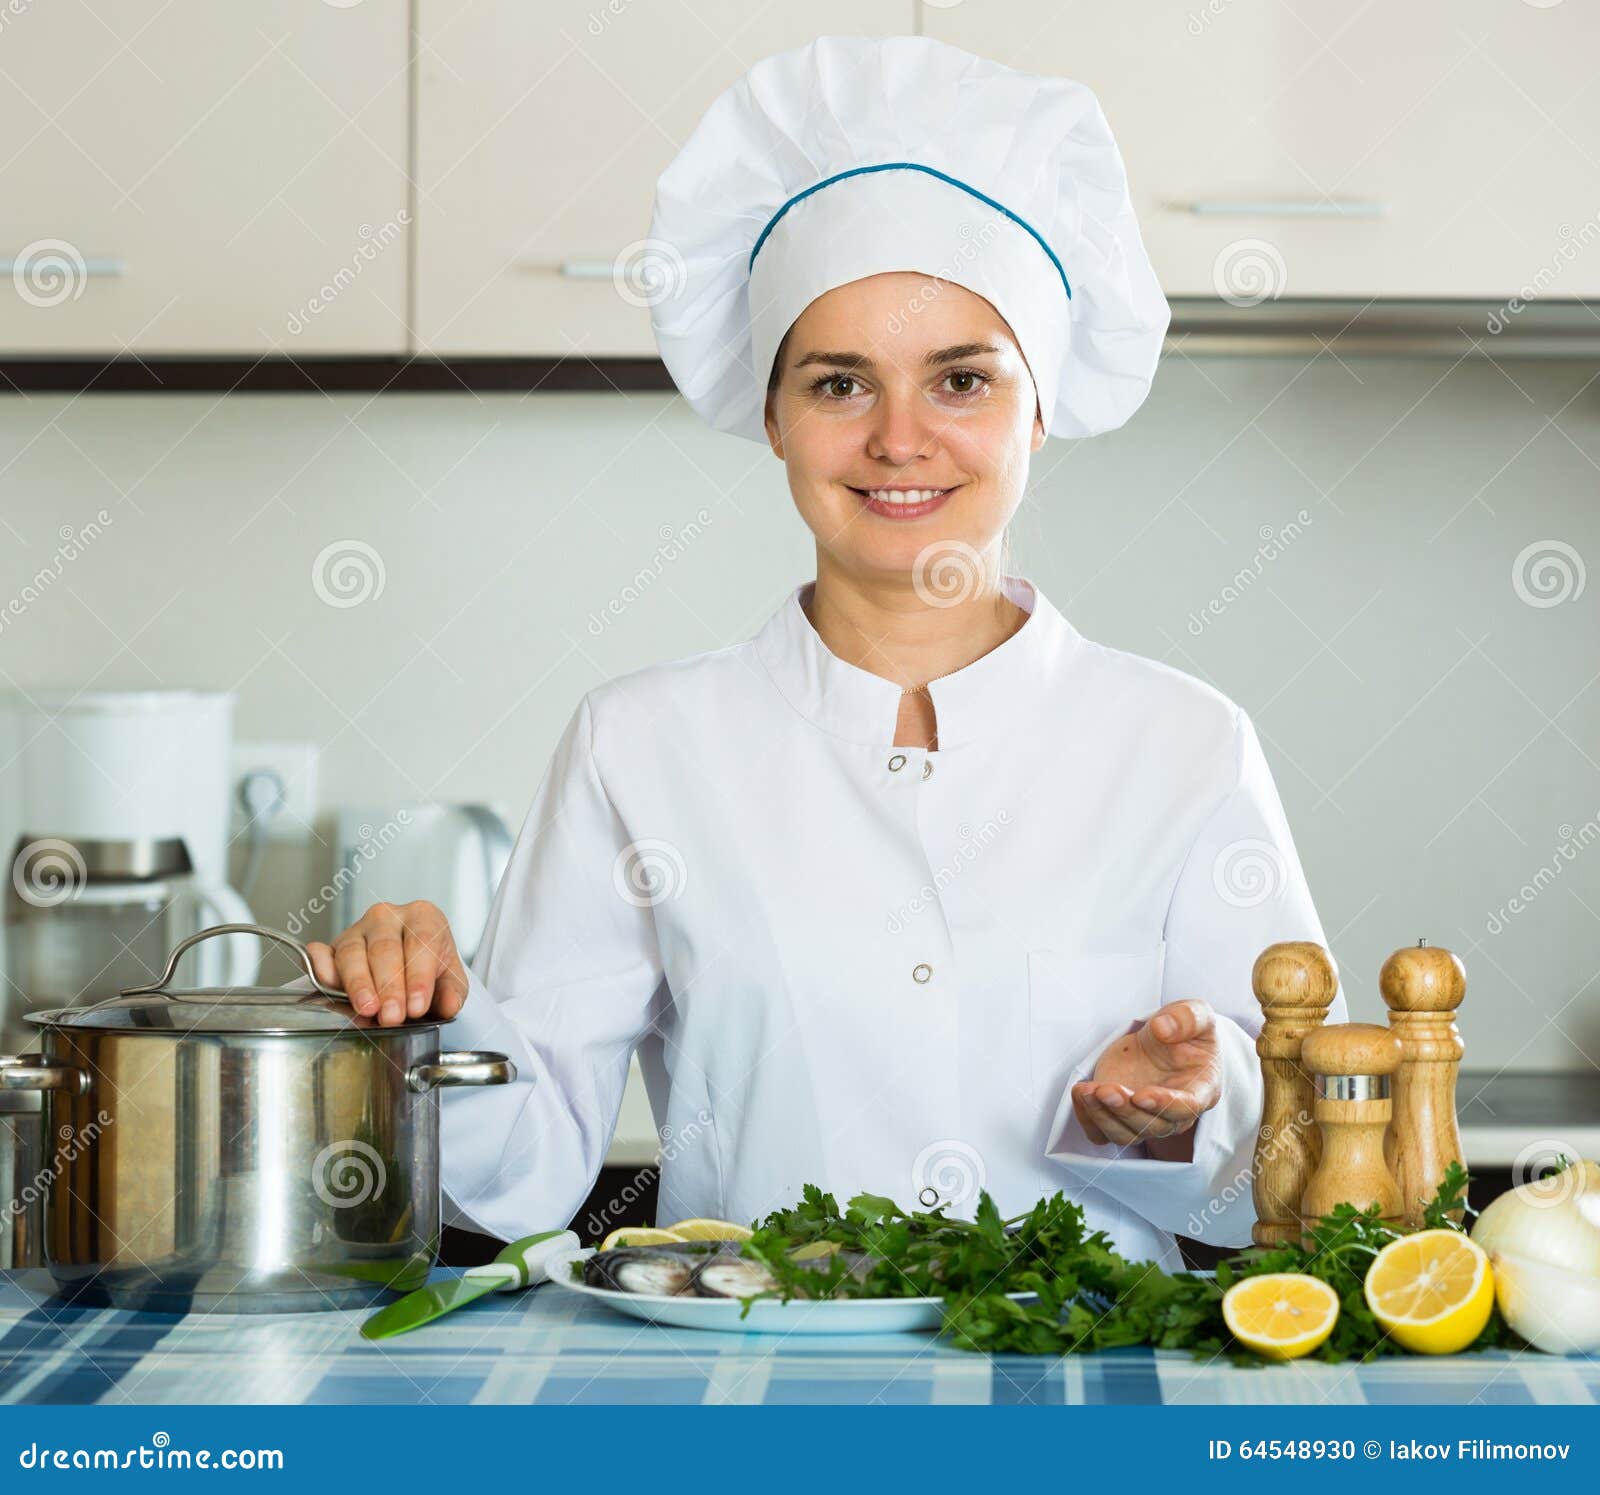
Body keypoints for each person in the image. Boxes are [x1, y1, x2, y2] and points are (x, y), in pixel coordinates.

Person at [307, 35, 1345, 1269]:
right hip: (758, 1398)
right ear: (771, 414)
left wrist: (1166, 1111)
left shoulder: (1183, 745)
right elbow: (524, 1176)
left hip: (1070, 1403)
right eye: (840, 383)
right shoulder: (640, 744)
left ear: (1041, 401)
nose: (899, 439)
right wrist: (426, 1018)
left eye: (960, 379)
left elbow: (1304, 1184)